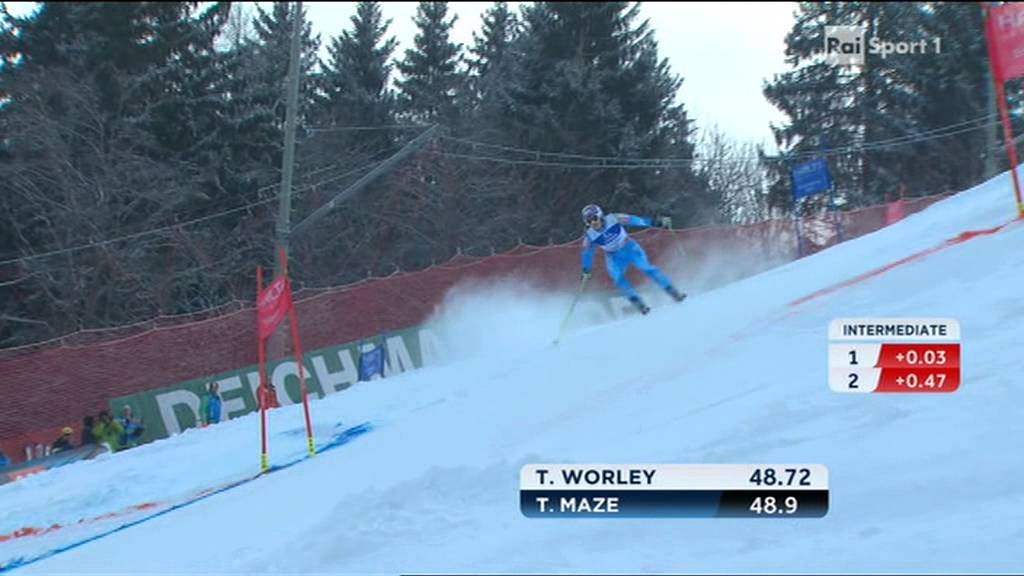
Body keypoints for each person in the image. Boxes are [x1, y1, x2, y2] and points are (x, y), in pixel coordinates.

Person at [580, 204, 686, 315]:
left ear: (600, 215)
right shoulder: (590, 236)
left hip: (629, 248)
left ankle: (672, 291)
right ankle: (638, 303)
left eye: (594, 218)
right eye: (589, 221)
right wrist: (586, 270)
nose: (593, 223)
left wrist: (654, 222)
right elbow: (587, 253)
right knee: (618, 278)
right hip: (613, 257)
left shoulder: (614, 218)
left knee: (646, 268)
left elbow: (635, 220)